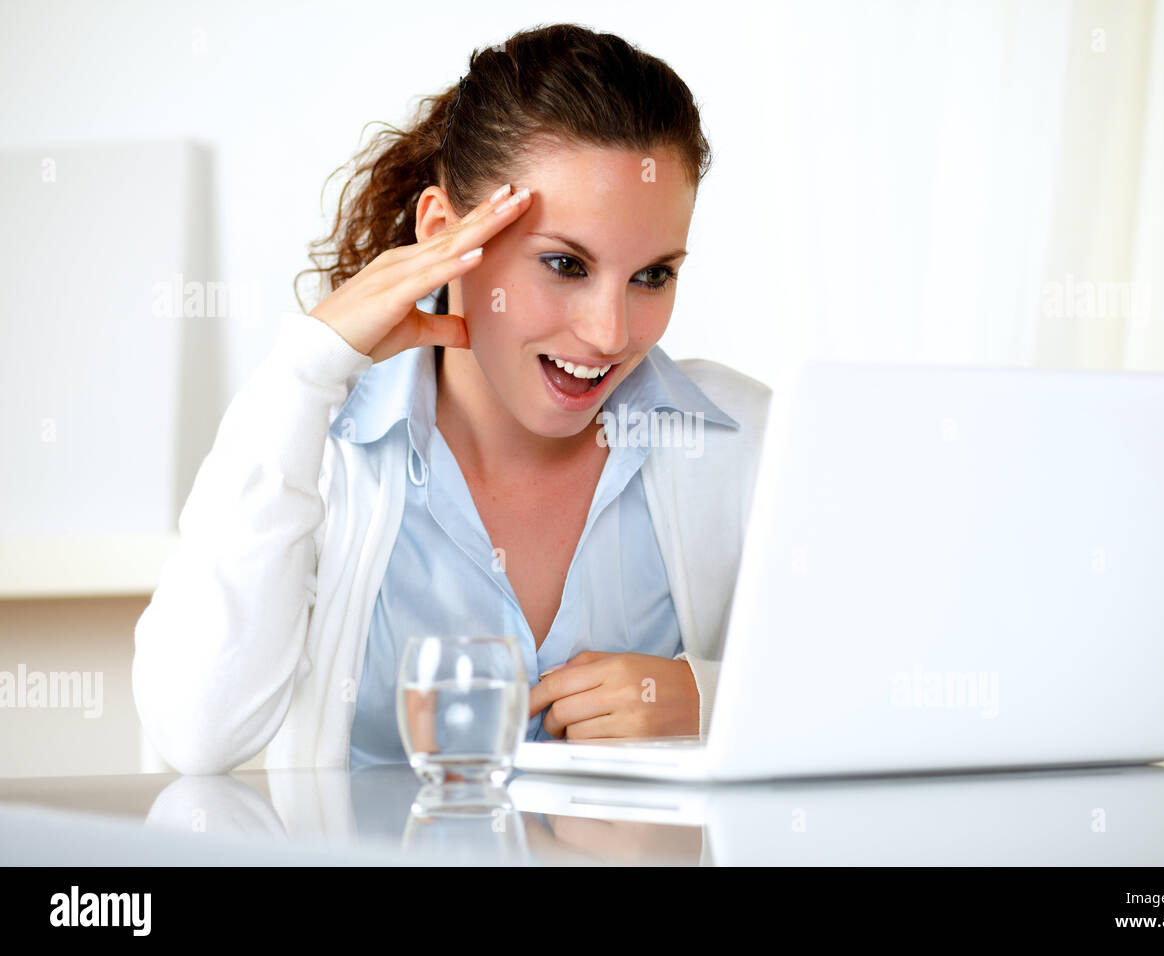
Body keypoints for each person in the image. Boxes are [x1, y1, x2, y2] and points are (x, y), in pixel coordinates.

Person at [132, 22, 771, 775]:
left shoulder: (744, 439)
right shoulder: (320, 443)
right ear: (446, 234)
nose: (609, 332)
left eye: (653, 275)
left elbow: (900, 689)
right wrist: (304, 369)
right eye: (565, 263)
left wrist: (717, 698)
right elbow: (195, 737)